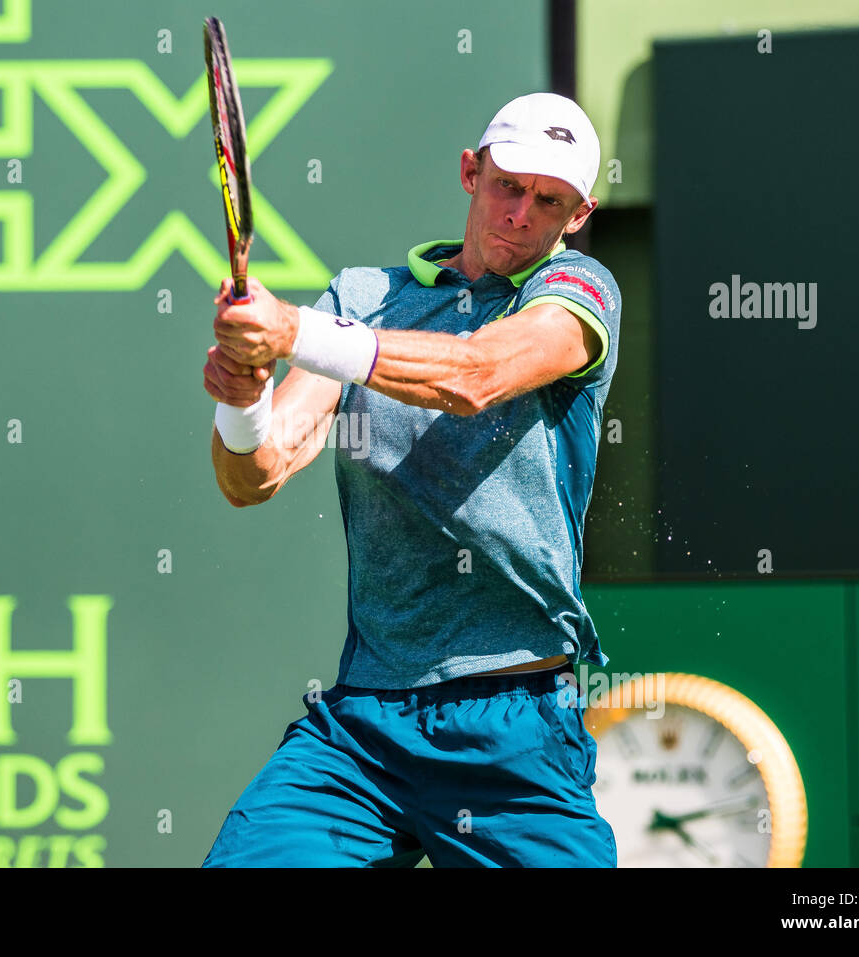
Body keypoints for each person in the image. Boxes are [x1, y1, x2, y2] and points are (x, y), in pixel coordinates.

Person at [200, 93, 621, 867]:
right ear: (471, 171)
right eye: (509, 185)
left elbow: (478, 375)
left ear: (579, 214)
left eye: (550, 201)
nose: (523, 212)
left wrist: (294, 331)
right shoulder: (361, 299)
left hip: (516, 731)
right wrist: (243, 400)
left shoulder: (580, 295)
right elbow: (254, 475)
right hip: (361, 732)